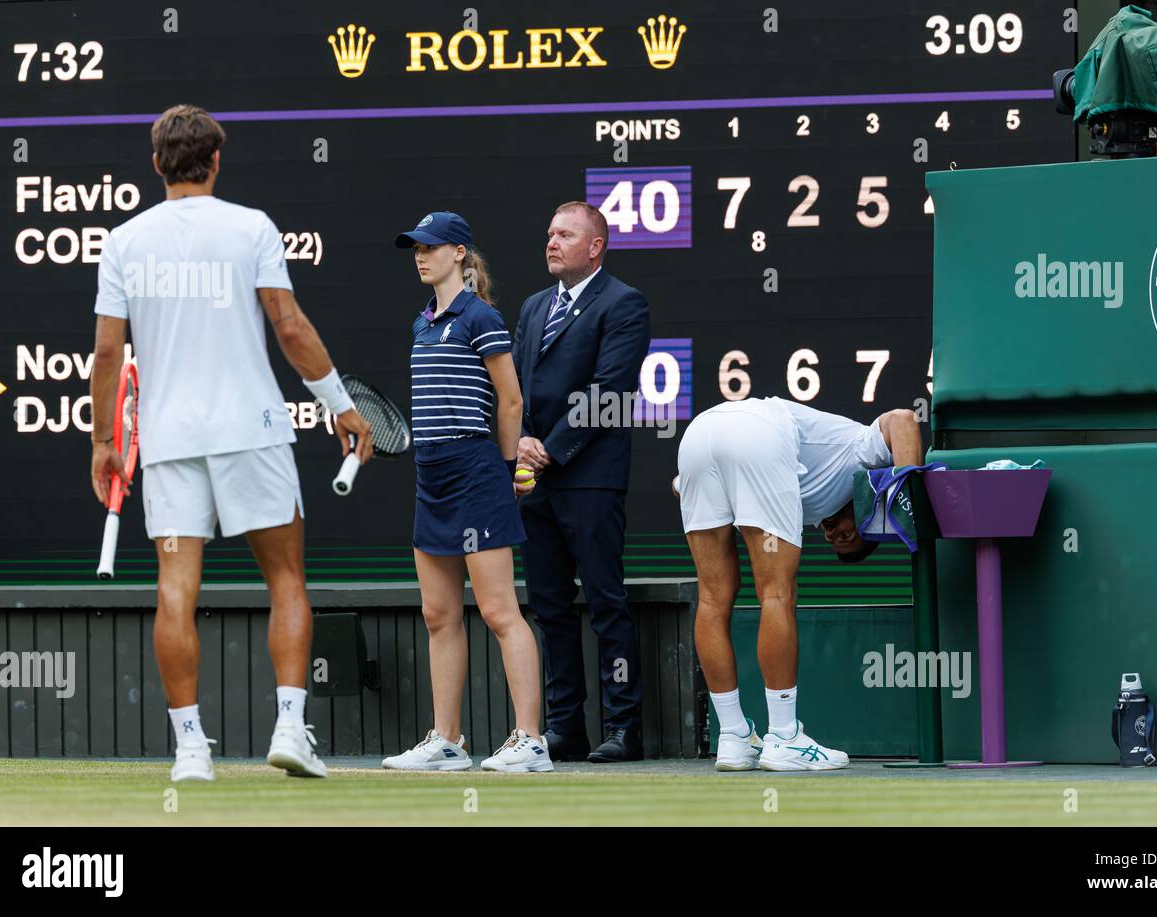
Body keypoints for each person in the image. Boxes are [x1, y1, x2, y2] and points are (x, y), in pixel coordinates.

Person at [88, 105, 373, 783]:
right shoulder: (252, 228)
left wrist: (105, 441)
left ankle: (190, 749)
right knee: (286, 579)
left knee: (175, 590)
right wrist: (340, 403)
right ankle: (288, 728)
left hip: (170, 442)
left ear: (158, 164)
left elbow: (106, 354)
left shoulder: (124, 240)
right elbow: (291, 326)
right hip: (252, 432)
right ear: (216, 162)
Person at [380, 212, 552, 773]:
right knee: (438, 613)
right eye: (415, 248)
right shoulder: (419, 324)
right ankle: (447, 741)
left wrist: (505, 469)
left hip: (477, 469)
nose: (420, 255)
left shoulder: (482, 318)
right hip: (432, 473)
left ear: (459, 252)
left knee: (500, 610)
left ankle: (531, 741)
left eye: (430, 246)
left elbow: (511, 402)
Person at [675, 396, 922, 771]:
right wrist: (909, 505)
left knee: (712, 597)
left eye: (838, 541)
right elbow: (904, 418)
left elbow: (682, 487)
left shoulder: (808, 499)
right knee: (775, 592)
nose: (833, 536)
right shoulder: (864, 456)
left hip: (698, 437)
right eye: (847, 536)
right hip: (755, 431)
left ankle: (734, 737)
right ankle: (785, 736)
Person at [512, 202, 651, 763]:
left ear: (595, 246)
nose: (552, 242)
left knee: (604, 600)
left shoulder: (623, 303)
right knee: (549, 608)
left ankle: (624, 728)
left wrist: (549, 448)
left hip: (590, 478)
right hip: (533, 479)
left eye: (565, 234)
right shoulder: (532, 306)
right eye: (549, 233)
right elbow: (516, 387)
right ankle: (564, 727)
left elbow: (611, 391)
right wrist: (521, 441)